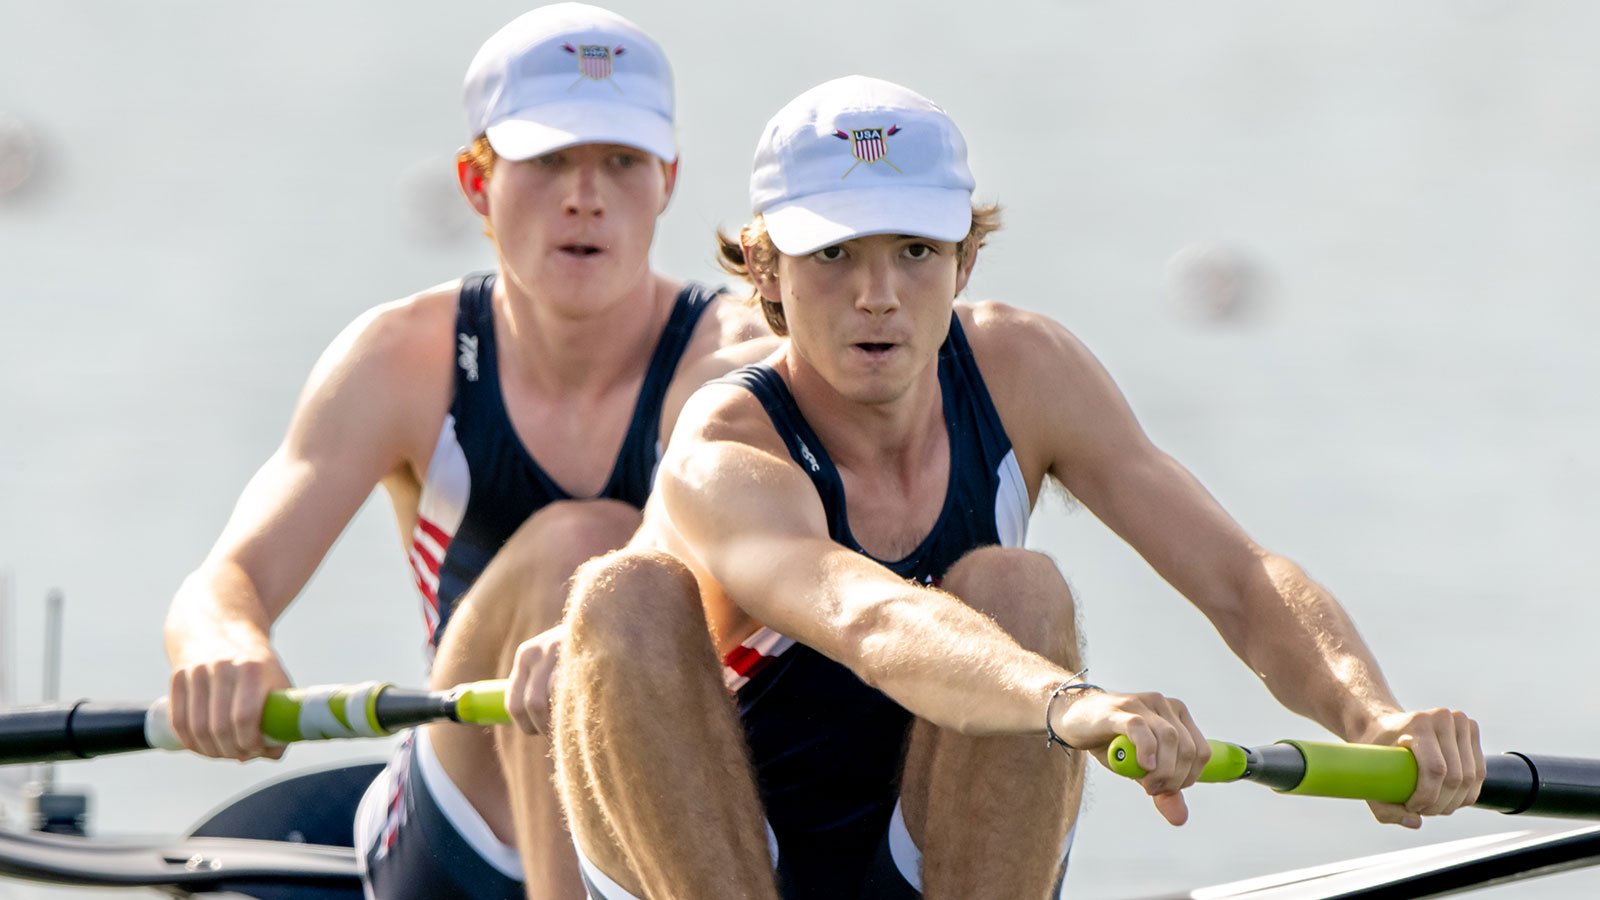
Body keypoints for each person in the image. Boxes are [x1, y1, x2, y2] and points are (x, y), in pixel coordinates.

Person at [548, 76, 1486, 900]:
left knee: (1018, 588)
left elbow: (1237, 578)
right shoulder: (727, 444)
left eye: (915, 251)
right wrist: (1069, 702)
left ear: (965, 259)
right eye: (834, 254)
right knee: (622, 598)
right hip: (710, 859)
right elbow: (867, 618)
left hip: (934, 848)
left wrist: (1371, 715)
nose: (878, 294)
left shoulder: (1026, 371)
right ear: (765, 268)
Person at [161, 5, 770, 899]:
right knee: (577, 547)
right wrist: (227, 647)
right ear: (476, 183)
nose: (585, 195)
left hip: (676, 809)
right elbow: (224, 583)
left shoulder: (735, 361)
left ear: (666, 181)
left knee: (618, 583)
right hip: (463, 829)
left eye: (621, 161)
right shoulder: (401, 361)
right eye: (548, 160)